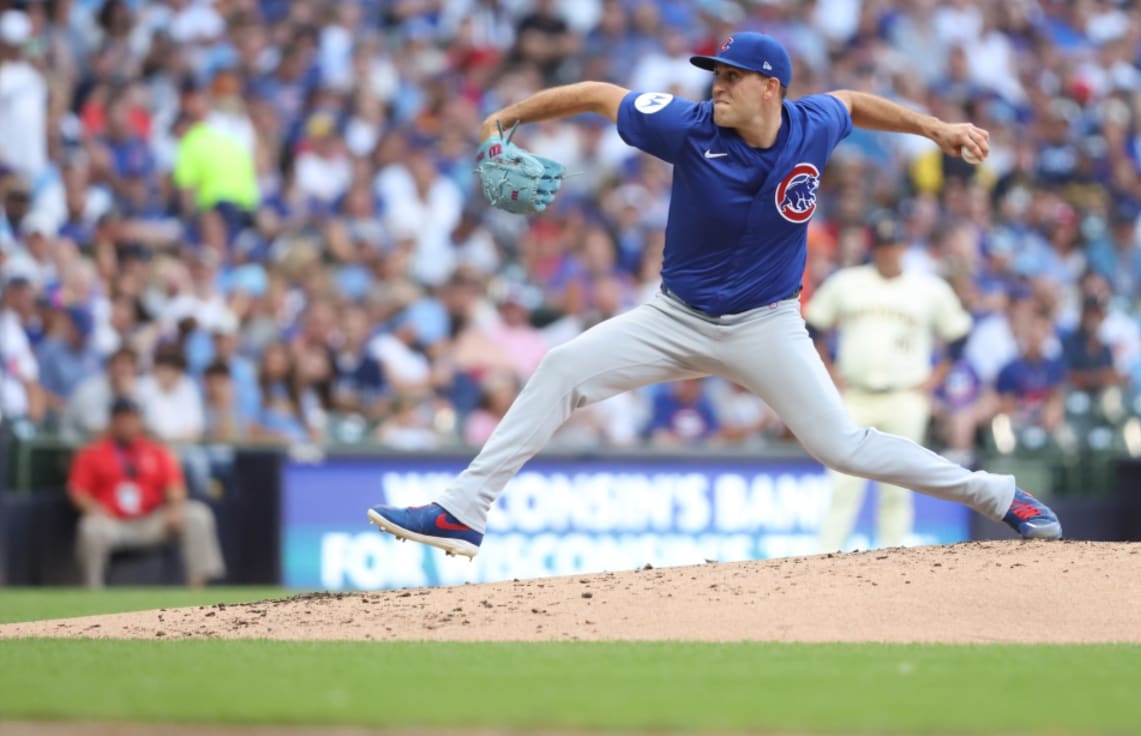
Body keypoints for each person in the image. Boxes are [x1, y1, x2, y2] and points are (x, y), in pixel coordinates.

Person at [368, 31, 1061, 556]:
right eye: (716, 75)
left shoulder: (812, 123)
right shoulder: (687, 127)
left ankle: (998, 496)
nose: (716, 86)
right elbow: (595, 94)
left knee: (843, 447)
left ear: (771, 89)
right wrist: (502, 120)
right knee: (561, 369)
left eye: (732, 77)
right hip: (675, 319)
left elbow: (854, 103)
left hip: (767, 325)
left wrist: (934, 128)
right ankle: (464, 510)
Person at [803, 213, 975, 552]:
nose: (887, 252)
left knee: (898, 484)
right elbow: (813, 327)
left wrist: (933, 379)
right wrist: (831, 372)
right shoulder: (848, 282)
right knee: (842, 482)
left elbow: (958, 336)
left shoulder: (928, 288)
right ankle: (825, 556)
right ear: (873, 248)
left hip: (905, 396)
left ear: (904, 247)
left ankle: (893, 557)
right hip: (854, 393)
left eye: (893, 245)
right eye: (882, 246)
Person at [66, 397, 226, 588]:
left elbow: (174, 485)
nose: (126, 424)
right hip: (112, 523)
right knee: (90, 528)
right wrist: (94, 508)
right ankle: (91, 592)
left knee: (197, 515)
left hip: (152, 520)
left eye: (131, 418)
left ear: (139, 421)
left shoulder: (156, 451)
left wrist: (175, 508)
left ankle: (197, 588)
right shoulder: (92, 452)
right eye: (121, 419)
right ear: (112, 422)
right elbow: (77, 491)